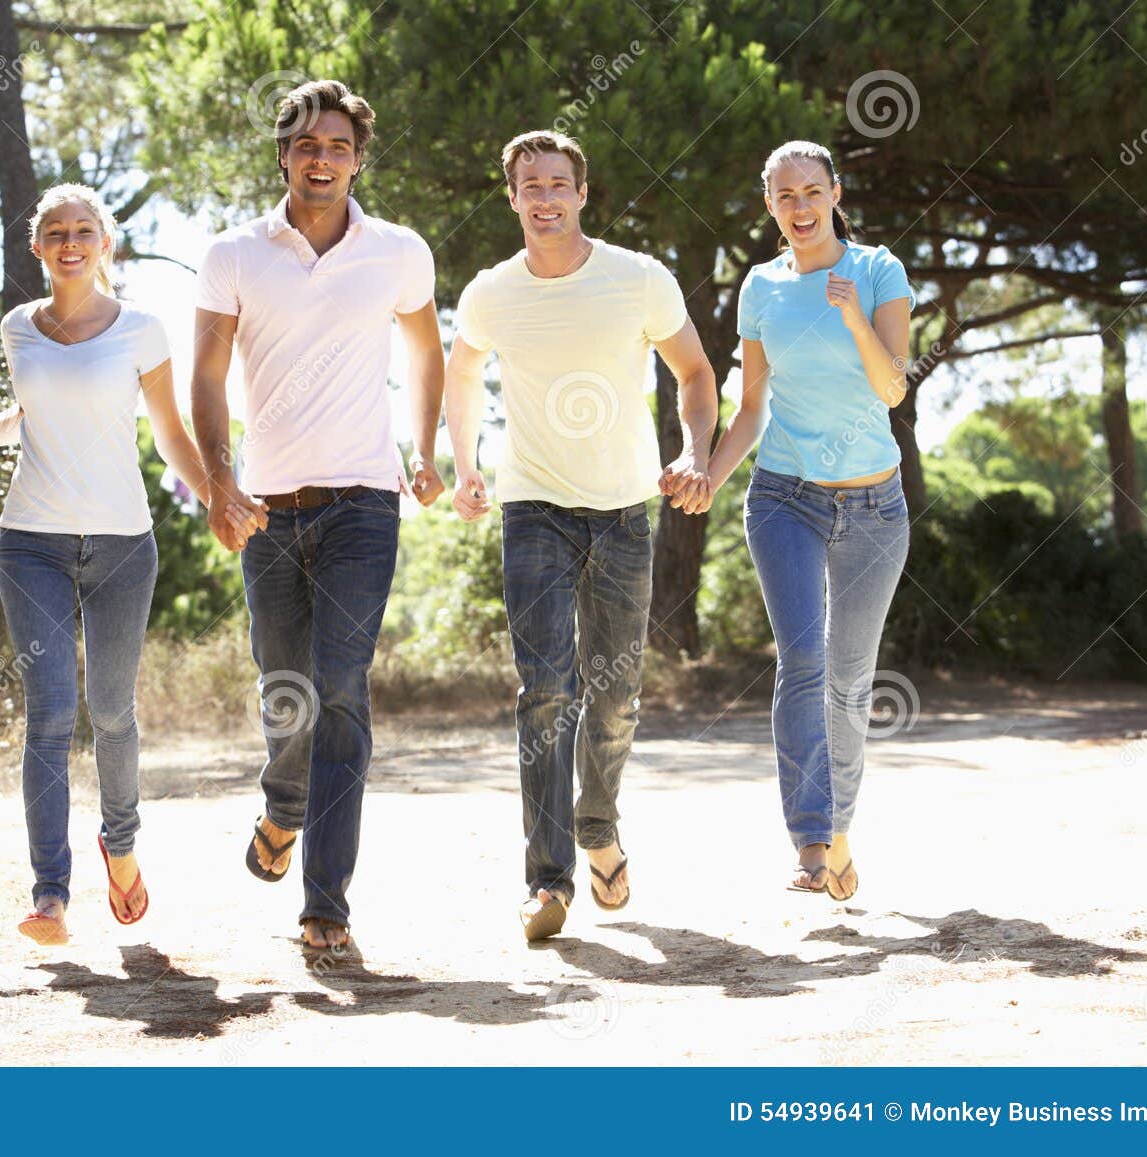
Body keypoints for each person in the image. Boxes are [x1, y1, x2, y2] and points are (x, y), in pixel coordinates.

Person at [0, 183, 260, 945]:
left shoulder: (142, 330)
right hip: (31, 541)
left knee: (113, 712)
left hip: (124, 544)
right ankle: (50, 892)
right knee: (51, 711)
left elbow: (166, 432)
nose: (69, 241)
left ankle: (119, 845)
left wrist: (215, 494)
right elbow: (26, 415)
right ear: (38, 247)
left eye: (83, 230)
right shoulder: (17, 328)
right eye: (55, 231)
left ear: (105, 242)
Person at [190, 80, 445, 951]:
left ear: (359, 158)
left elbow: (424, 349)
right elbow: (206, 376)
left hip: (364, 506)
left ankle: (324, 903)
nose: (323, 158)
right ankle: (284, 799)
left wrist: (424, 450)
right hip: (267, 510)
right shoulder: (233, 253)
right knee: (285, 689)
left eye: (339, 145)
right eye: (307, 144)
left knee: (341, 688)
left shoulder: (398, 251)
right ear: (284, 154)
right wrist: (221, 483)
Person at [444, 131, 716, 942]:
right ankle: (548, 879)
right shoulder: (492, 292)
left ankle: (598, 823)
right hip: (533, 508)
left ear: (583, 194)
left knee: (617, 693)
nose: (545, 197)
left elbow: (696, 373)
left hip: (626, 511)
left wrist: (695, 449)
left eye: (558, 182)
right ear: (513, 197)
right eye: (530, 184)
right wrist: (466, 463)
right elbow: (461, 375)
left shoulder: (638, 278)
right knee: (546, 691)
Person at [698, 140, 915, 902]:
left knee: (851, 679)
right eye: (784, 195)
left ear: (835, 193)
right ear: (769, 204)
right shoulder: (760, 288)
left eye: (811, 192)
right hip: (784, 494)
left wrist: (855, 318)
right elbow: (752, 405)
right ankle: (811, 840)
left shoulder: (880, 270)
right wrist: (710, 475)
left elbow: (892, 387)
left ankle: (843, 832)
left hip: (872, 504)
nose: (799, 206)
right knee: (803, 660)